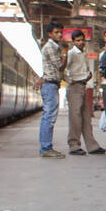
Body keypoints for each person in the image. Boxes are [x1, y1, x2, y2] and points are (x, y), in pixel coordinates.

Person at [64, 30, 102, 155]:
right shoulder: (71, 54)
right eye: (77, 40)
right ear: (73, 42)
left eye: (82, 40)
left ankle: (92, 146)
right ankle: (74, 145)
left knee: (86, 117)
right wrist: (71, 80)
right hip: (74, 87)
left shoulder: (83, 54)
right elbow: (63, 69)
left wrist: (88, 76)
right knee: (75, 117)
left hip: (83, 86)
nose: (80, 42)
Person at [37, 22, 66, 158]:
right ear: (50, 34)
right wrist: (65, 54)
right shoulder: (50, 47)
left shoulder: (53, 47)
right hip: (50, 85)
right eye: (56, 32)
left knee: (49, 116)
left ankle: (46, 147)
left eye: (60, 32)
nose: (59, 35)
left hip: (51, 84)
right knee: (49, 117)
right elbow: (59, 65)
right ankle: (46, 148)